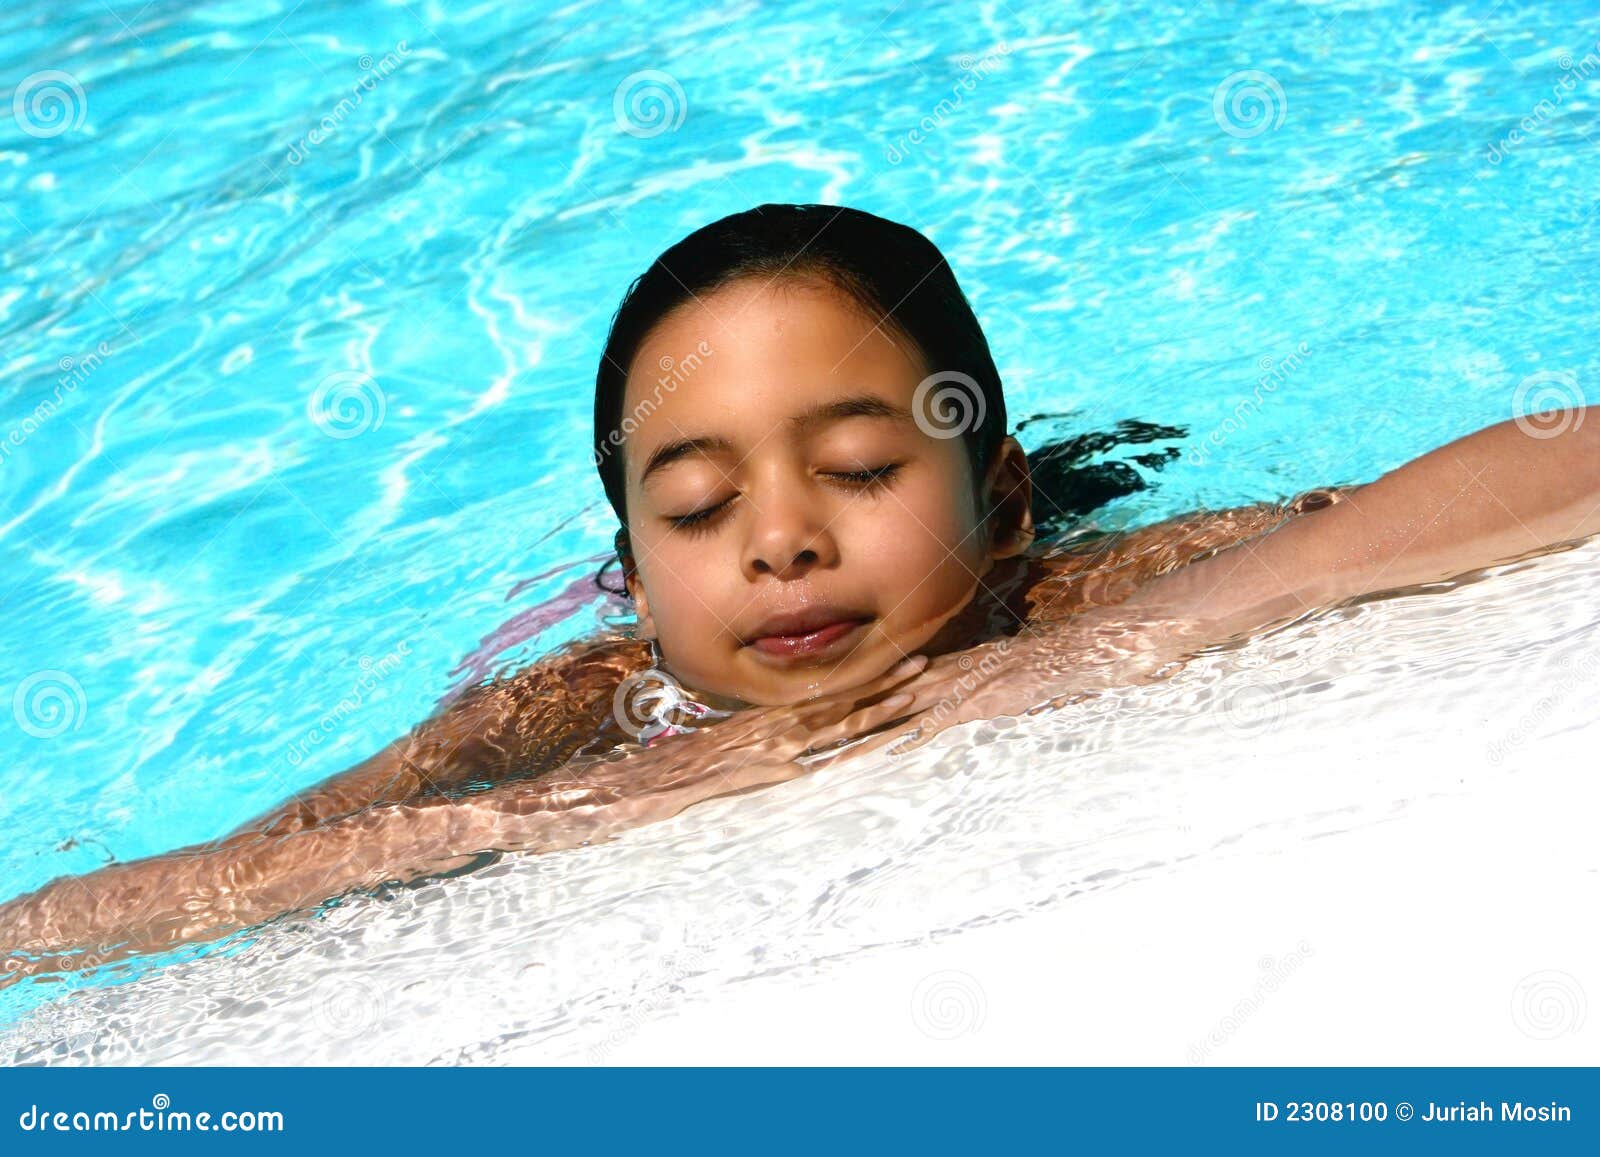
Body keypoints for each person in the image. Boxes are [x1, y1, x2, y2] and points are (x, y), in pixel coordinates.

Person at [3, 203, 1595, 983]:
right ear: (635, 581)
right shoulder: (576, 705)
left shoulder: (1071, 589)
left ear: (1004, 504)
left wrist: (1099, 648)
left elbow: (1561, 454)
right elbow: (111, 908)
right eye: (700, 509)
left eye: (858, 467)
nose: (778, 544)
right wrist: (542, 813)